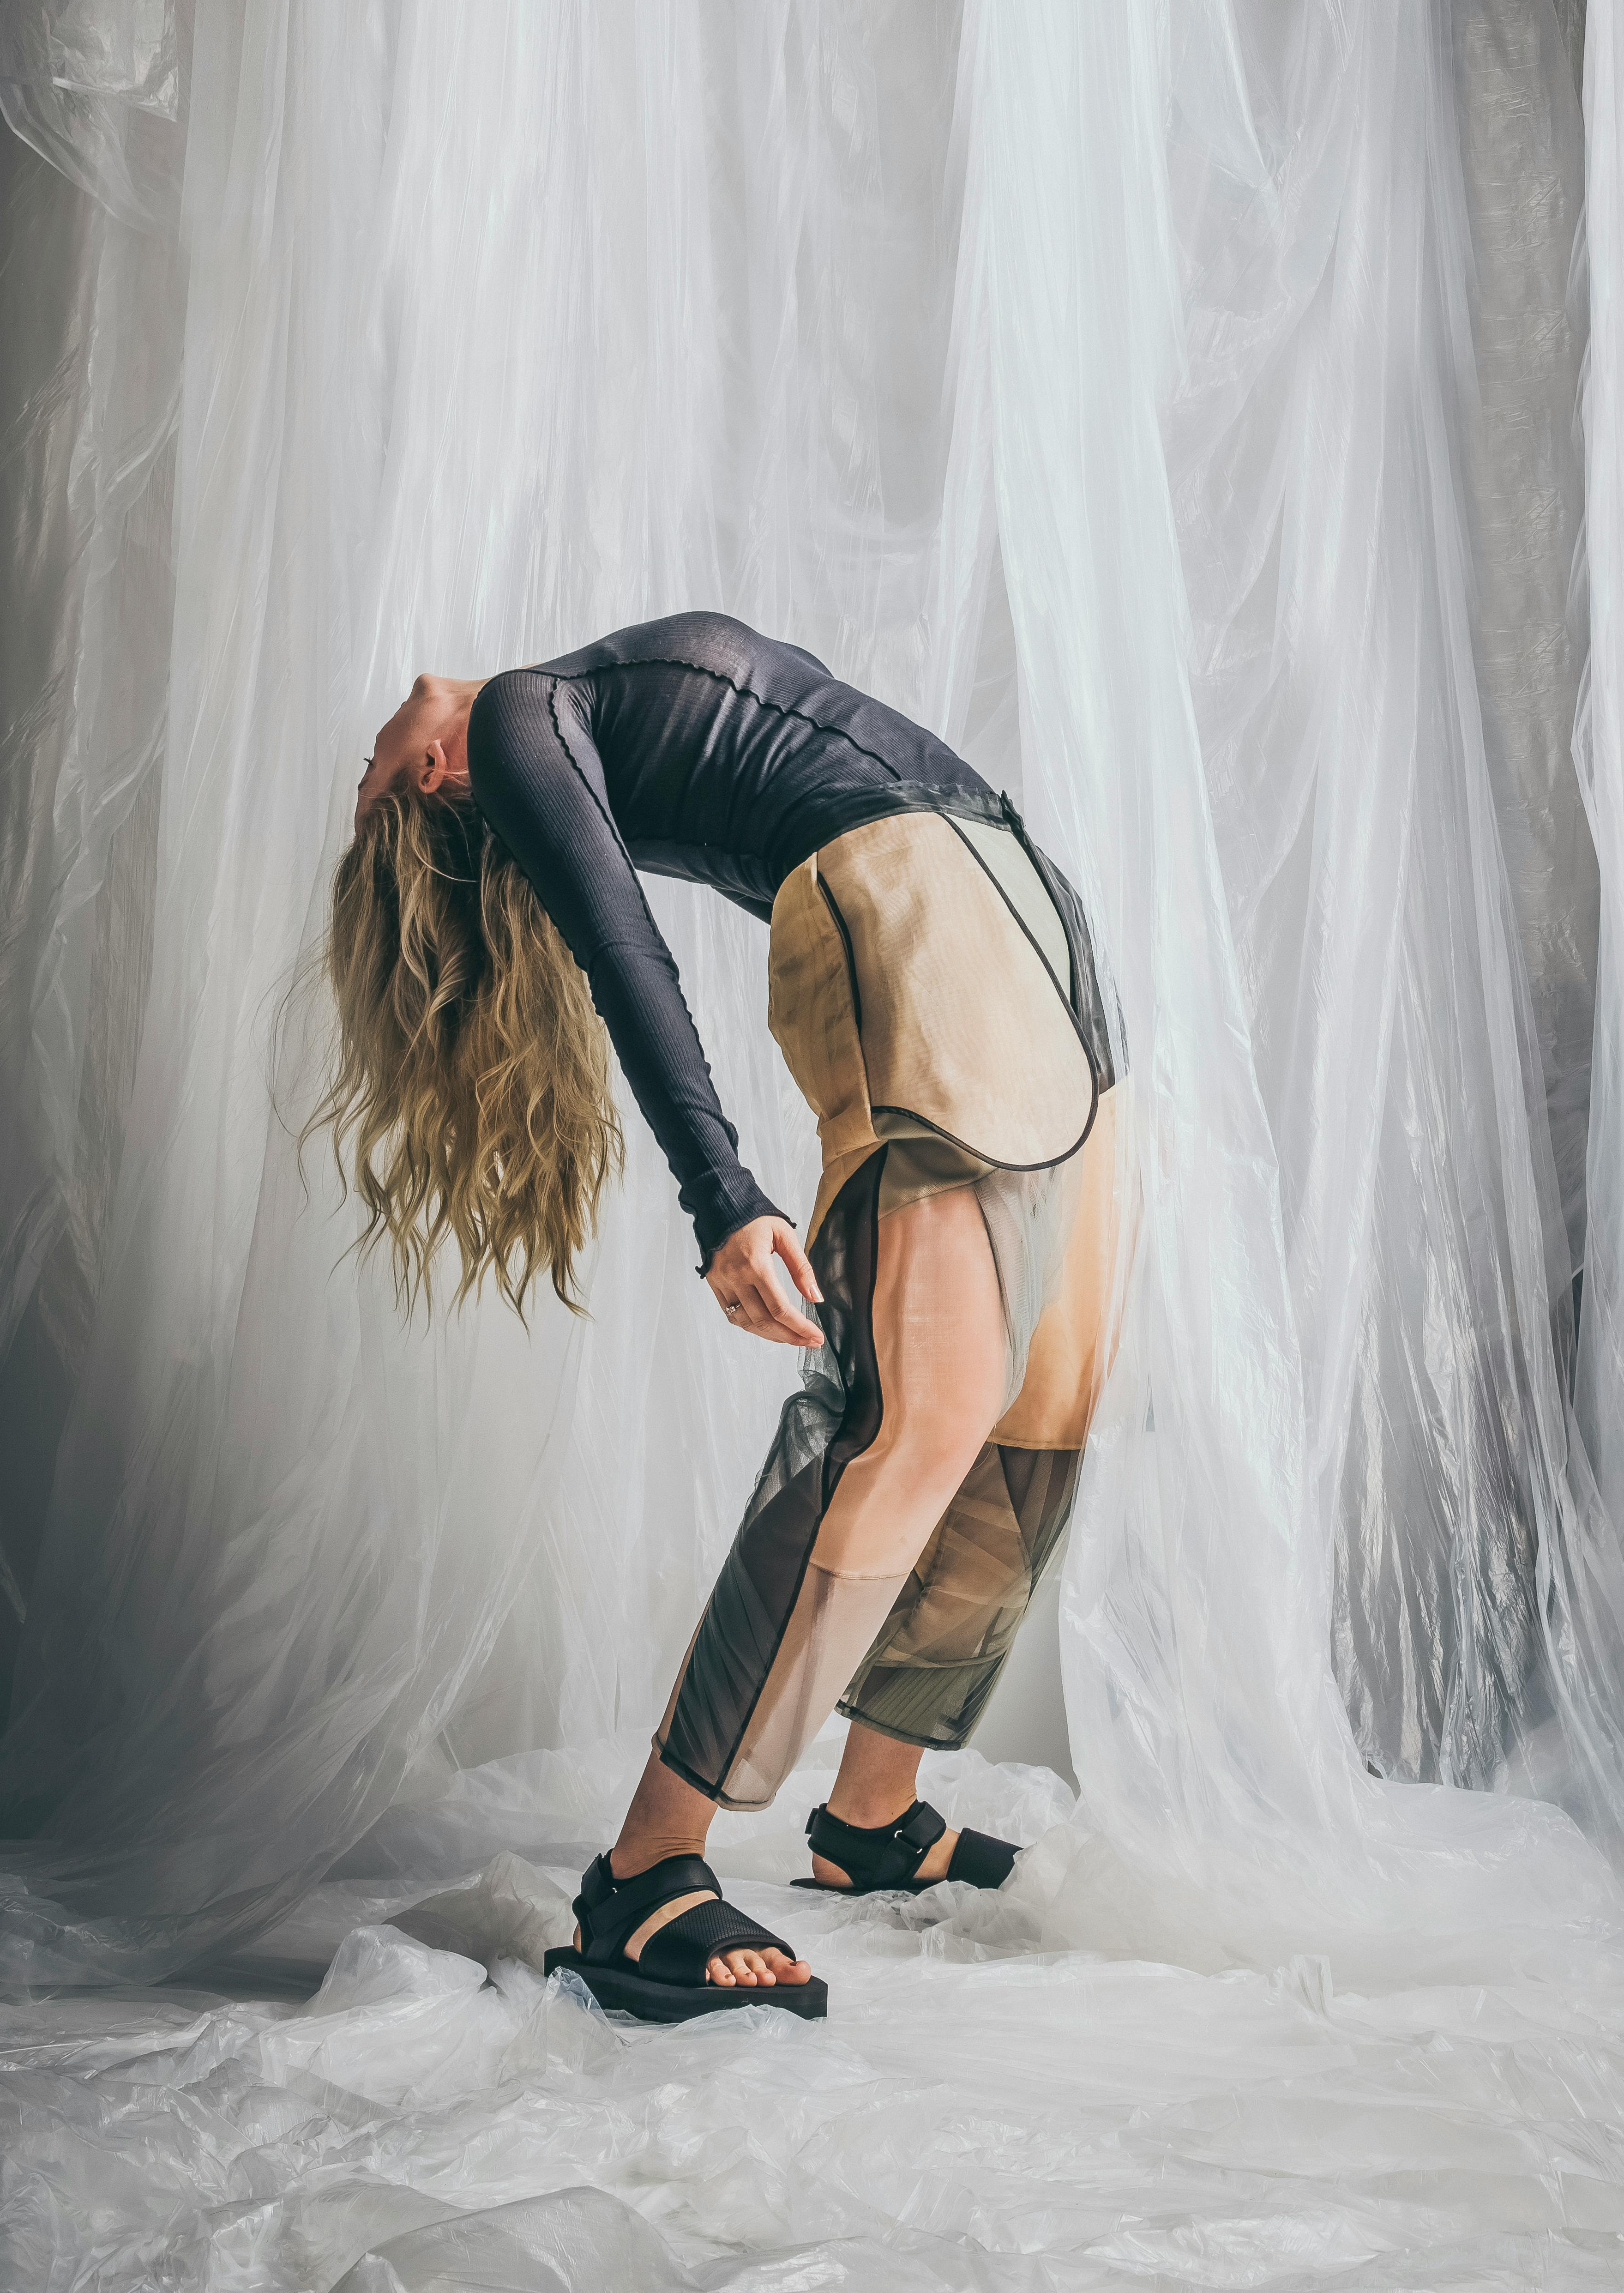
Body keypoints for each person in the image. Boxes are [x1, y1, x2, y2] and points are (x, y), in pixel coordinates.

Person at [325, 612, 1123, 2026]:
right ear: (436, 780)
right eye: (372, 788)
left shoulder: (559, 709)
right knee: (908, 1417)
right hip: (916, 911)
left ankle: (872, 1819)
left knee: (1036, 1421)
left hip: (1029, 926)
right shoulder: (514, 722)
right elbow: (623, 948)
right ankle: (646, 1872)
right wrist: (723, 1199)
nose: (362, 775)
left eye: (361, 779)